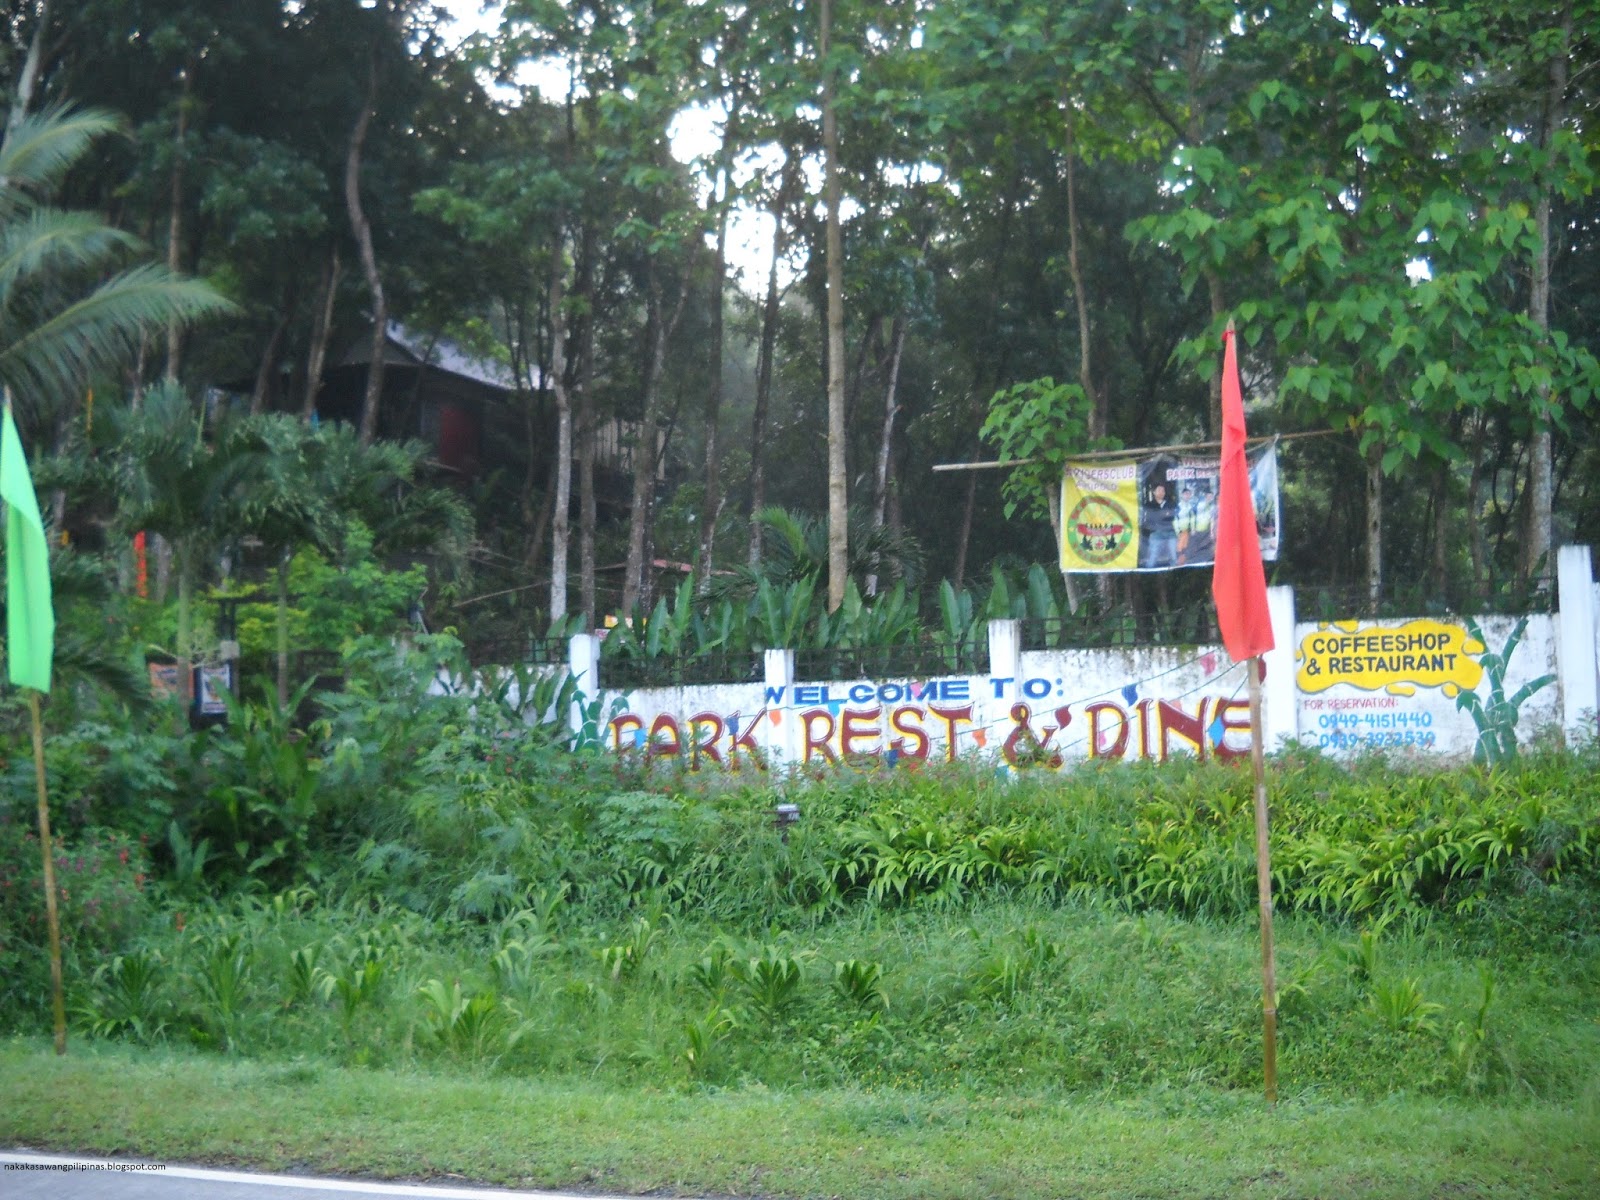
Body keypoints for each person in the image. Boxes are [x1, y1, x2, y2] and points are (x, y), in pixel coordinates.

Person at [1140, 480, 1178, 568]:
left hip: (1170, 533)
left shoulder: (1170, 504)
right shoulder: (1149, 505)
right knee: (1153, 556)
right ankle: (1149, 575)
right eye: (1159, 490)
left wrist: (1160, 516)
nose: (1161, 492)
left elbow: (1172, 517)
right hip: (1156, 533)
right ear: (1154, 492)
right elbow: (1149, 519)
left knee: (1174, 555)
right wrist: (1163, 515)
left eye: (1163, 491)